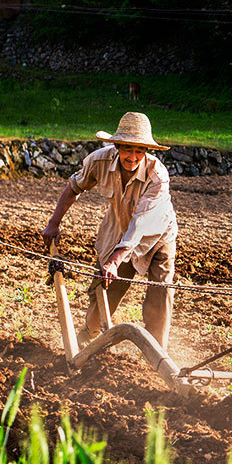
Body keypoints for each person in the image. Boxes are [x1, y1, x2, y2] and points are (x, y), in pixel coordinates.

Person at [42, 112, 178, 348]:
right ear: (116, 145)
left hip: (158, 236)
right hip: (118, 228)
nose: (133, 157)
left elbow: (141, 225)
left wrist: (115, 260)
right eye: (127, 148)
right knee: (106, 284)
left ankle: (157, 352)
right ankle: (89, 335)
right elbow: (74, 187)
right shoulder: (99, 161)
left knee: (161, 291)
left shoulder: (158, 176)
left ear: (146, 151)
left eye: (139, 151)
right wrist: (53, 223)